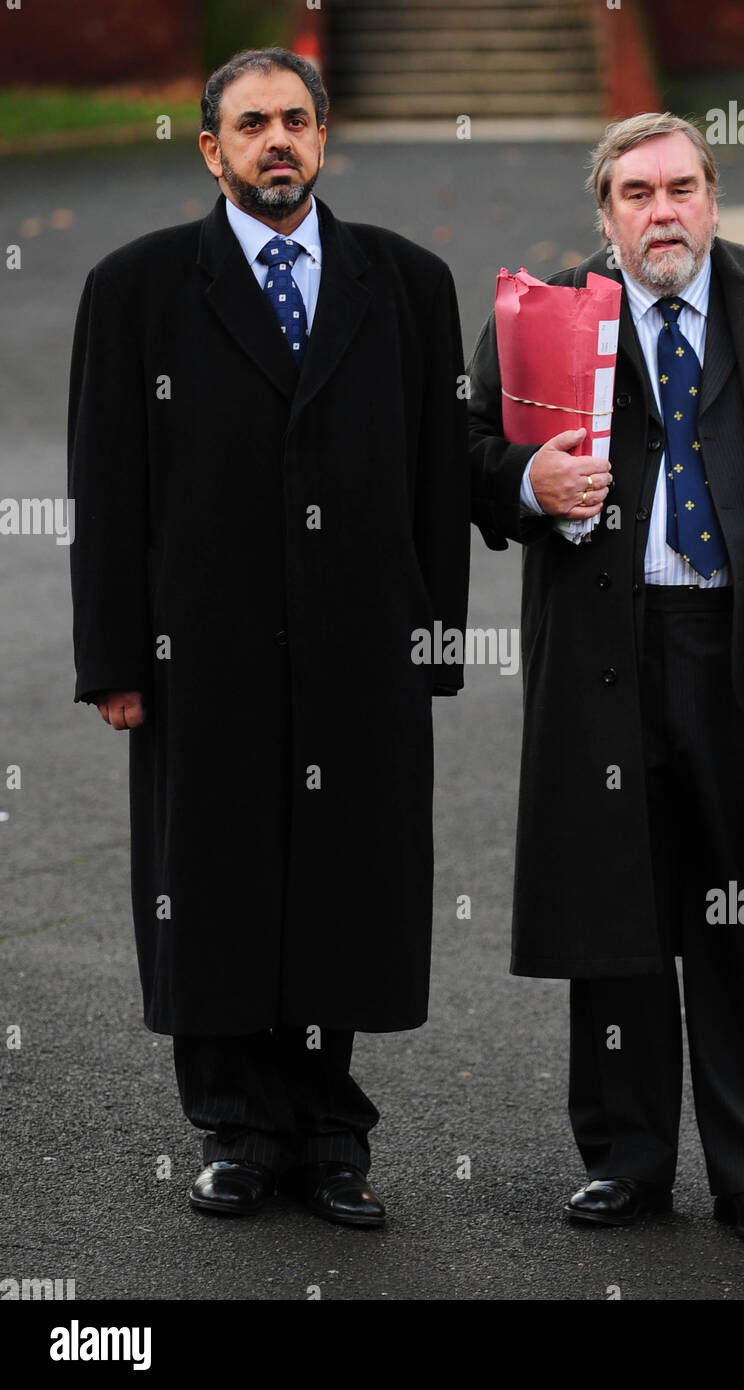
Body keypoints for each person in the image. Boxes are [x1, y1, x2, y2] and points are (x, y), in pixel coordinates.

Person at [468, 112, 744, 1244]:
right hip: (604, 649)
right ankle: (624, 1160)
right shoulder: (544, 313)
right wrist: (526, 480)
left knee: (742, 909)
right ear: (604, 211)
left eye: (681, 189)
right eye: (635, 193)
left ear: (713, 198)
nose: (661, 212)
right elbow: (463, 450)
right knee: (613, 910)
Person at [68, 47, 470, 1226]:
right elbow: (108, 486)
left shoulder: (407, 283)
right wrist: (114, 662)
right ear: (212, 149)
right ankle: (238, 1129)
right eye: (252, 125)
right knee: (219, 884)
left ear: (324, 135)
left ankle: (332, 1136)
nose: (277, 141)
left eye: (296, 120)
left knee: (344, 885)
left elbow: (436, 483)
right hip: (207, 648)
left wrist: (435, 643)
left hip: (362, 648)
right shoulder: (136, 287)